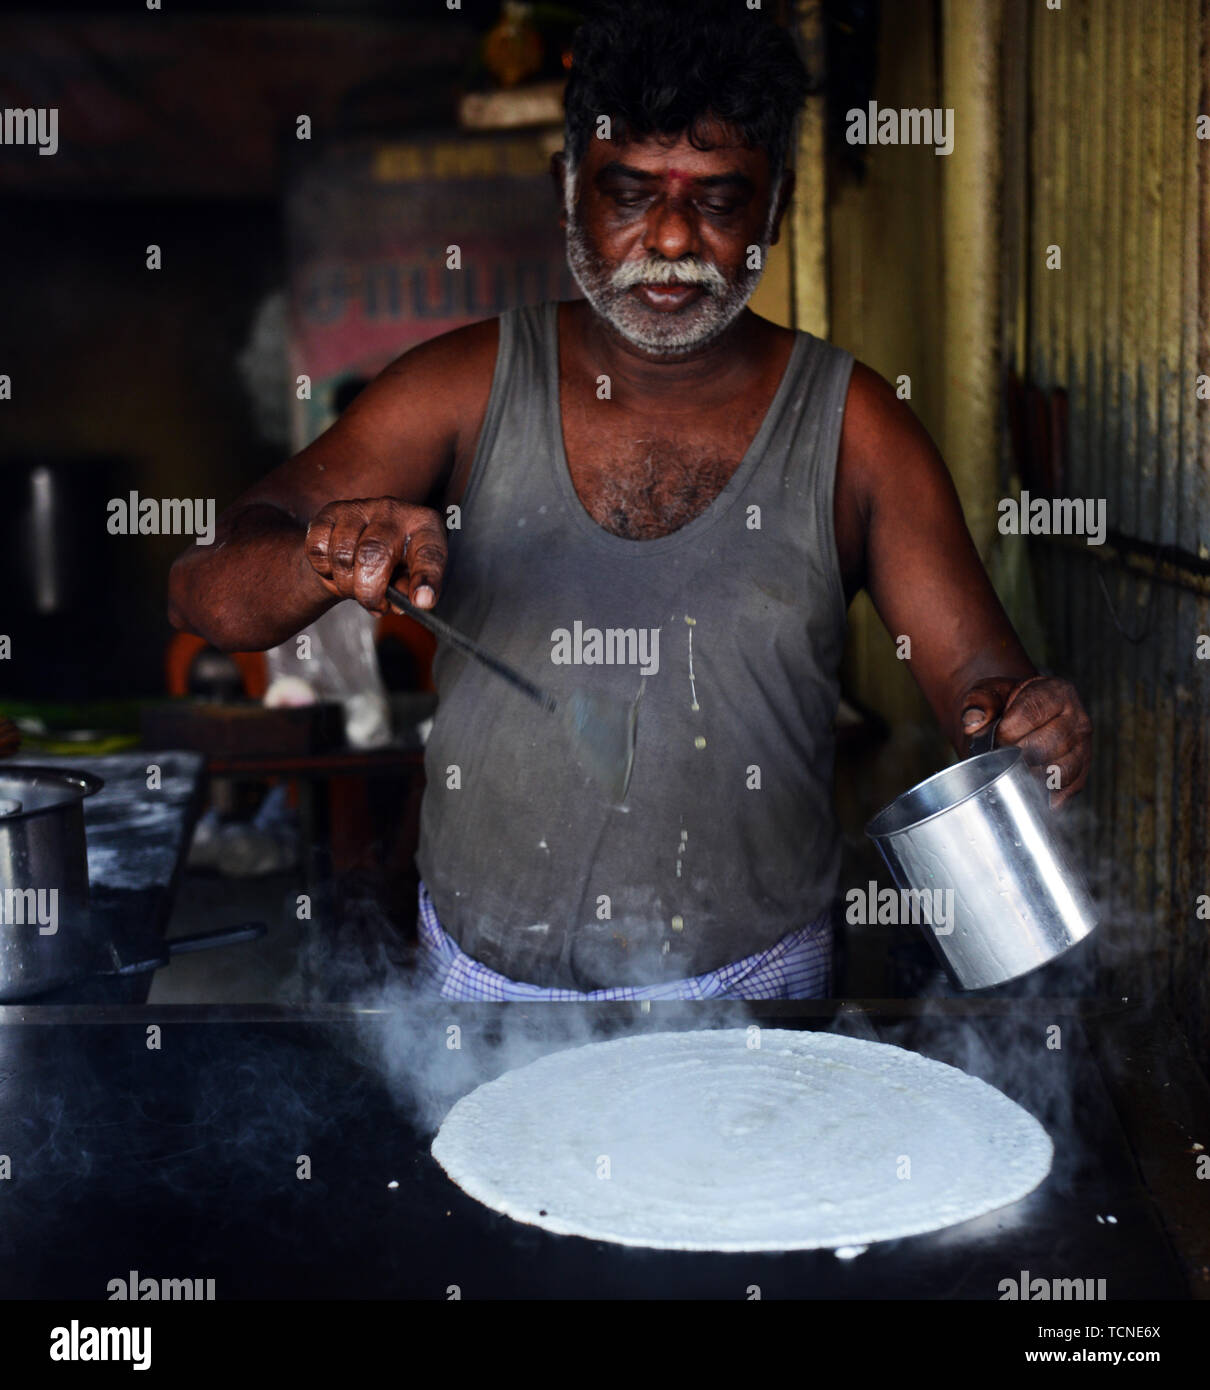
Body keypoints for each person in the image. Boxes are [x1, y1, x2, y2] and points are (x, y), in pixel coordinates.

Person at [169, 0, 1091, 1001]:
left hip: (756, 981)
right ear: (566, 189)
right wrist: (322, 551)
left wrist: (1025, 721)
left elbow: (983, 693)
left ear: (776, 207)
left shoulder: (858, 431)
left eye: (719, 198)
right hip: (486, 987)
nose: (670, 235)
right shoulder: (459, 390)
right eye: (630, 190)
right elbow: (205, 594)